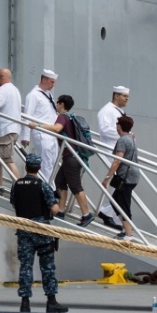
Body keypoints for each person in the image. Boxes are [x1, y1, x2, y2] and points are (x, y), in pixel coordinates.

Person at [9, 153, 68, 313]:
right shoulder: (43, 186)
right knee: (47, 267)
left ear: (26, 167)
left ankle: (25, 303)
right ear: (39, 168)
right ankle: (51, 302)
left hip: (23, 230)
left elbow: (14, 204)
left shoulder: (16, 185)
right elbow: (54, 210)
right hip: (42, 232)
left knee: (25, 267)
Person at [52, 94, 98, 226]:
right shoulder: (71, 118)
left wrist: (38, 125)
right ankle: (61, 211)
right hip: (73, 156)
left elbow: (57, 128)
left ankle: (86, 215)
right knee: (60, 181)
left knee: (75, 186)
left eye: (57, 103)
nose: (56, 105)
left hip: (71, 157)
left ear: (61, 104)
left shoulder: (62, 117)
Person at [93, 87, 130, 219]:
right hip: (111, 149)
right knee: (119, 181)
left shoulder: (119, 111)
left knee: (122, 182)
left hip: (120, 149)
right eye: (124, 96)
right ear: (116, 96)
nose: (127, 98)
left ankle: (110, 213)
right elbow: (104, 130)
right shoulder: (107, 110)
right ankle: (107, 212)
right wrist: (125, 134)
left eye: (127, 96)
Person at [104, 115, 141, 239]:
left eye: (117, 124)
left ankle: (129, 234)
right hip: (132, 175)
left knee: (123, 204)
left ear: (119, 126)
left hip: (126, 177)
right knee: (115, 201)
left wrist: (107, 178)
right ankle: (126, 230)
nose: (116, 126)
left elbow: (117, 161)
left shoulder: (123, 140)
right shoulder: (131, 138)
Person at [23, 69, 61, 176]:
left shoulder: (48, 95)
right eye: (51, 82)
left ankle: (49, 183)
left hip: (51, 132)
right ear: (44, 80)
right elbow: (27, 114)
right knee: (46, 163)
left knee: (52, 162)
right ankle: (47, 185)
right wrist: (26, 136)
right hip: (41, 133)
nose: (53, 85)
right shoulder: (33, 95)